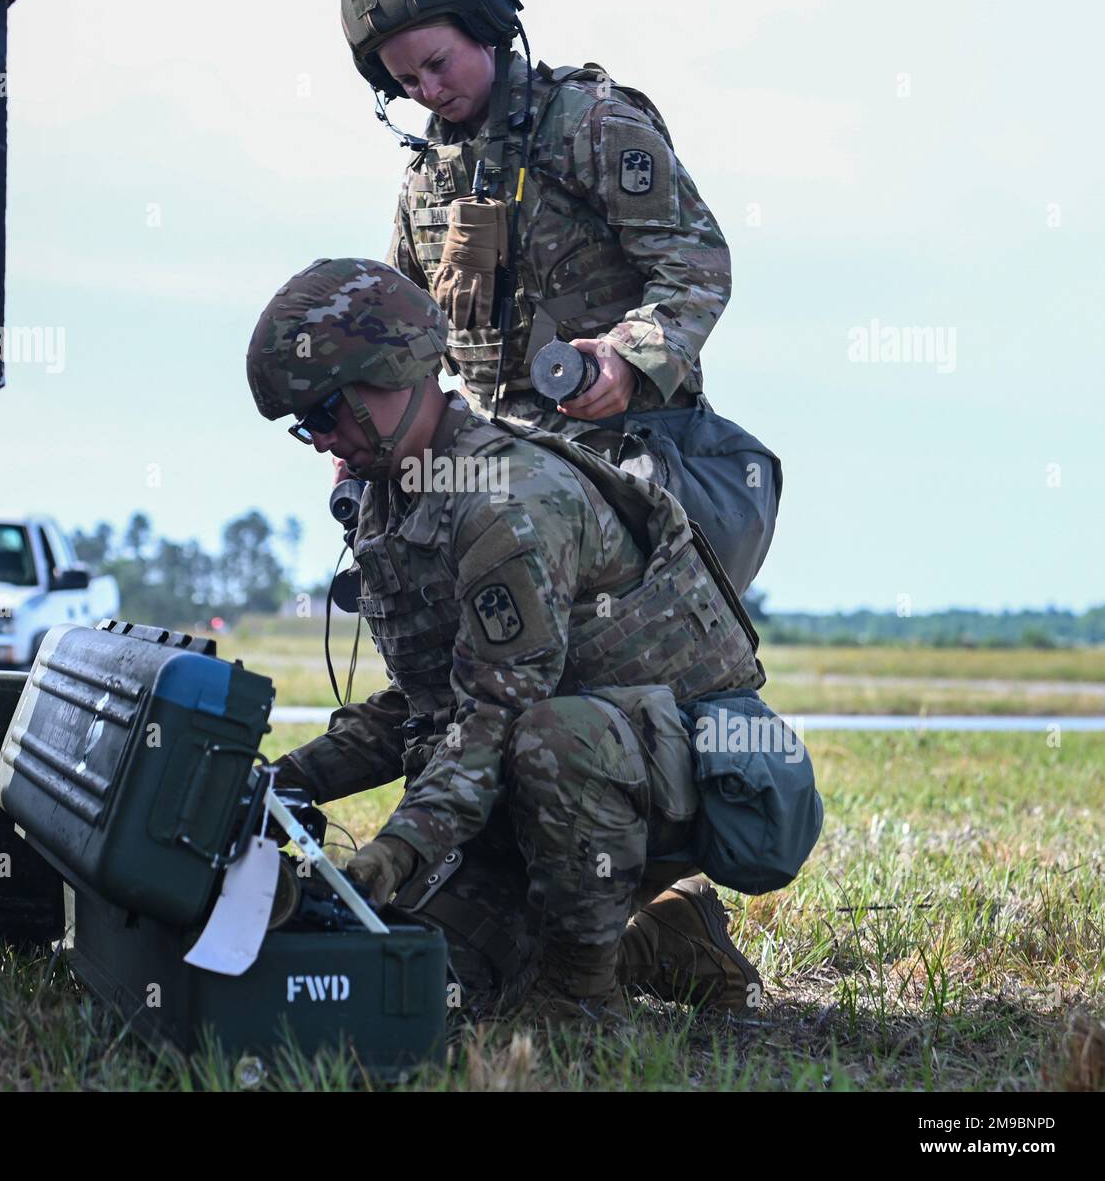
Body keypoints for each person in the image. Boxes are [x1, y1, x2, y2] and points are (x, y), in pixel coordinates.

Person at [247, 257, 822, 1023]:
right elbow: (427, 702)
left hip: (654, 779)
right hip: (542, 786)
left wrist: (397, 849)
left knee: (559, 733)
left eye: (326, 413)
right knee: (435, 966)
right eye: (305, 426)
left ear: (389, 374)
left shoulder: (506, 504)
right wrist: (284, 782)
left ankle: (582, 999)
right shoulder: (401, 496)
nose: (323, 443)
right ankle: (665, 940)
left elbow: (493, 717)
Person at [340, 0, 782, 597]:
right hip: (495, 475)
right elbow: (403, 338)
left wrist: (626, 360)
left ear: (487, 30)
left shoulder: (590, 125)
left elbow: (697, 264)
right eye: (406, 83)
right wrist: (356, 435)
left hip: (619, 460)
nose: (429, 91)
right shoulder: (423, 181)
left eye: (437, 63)